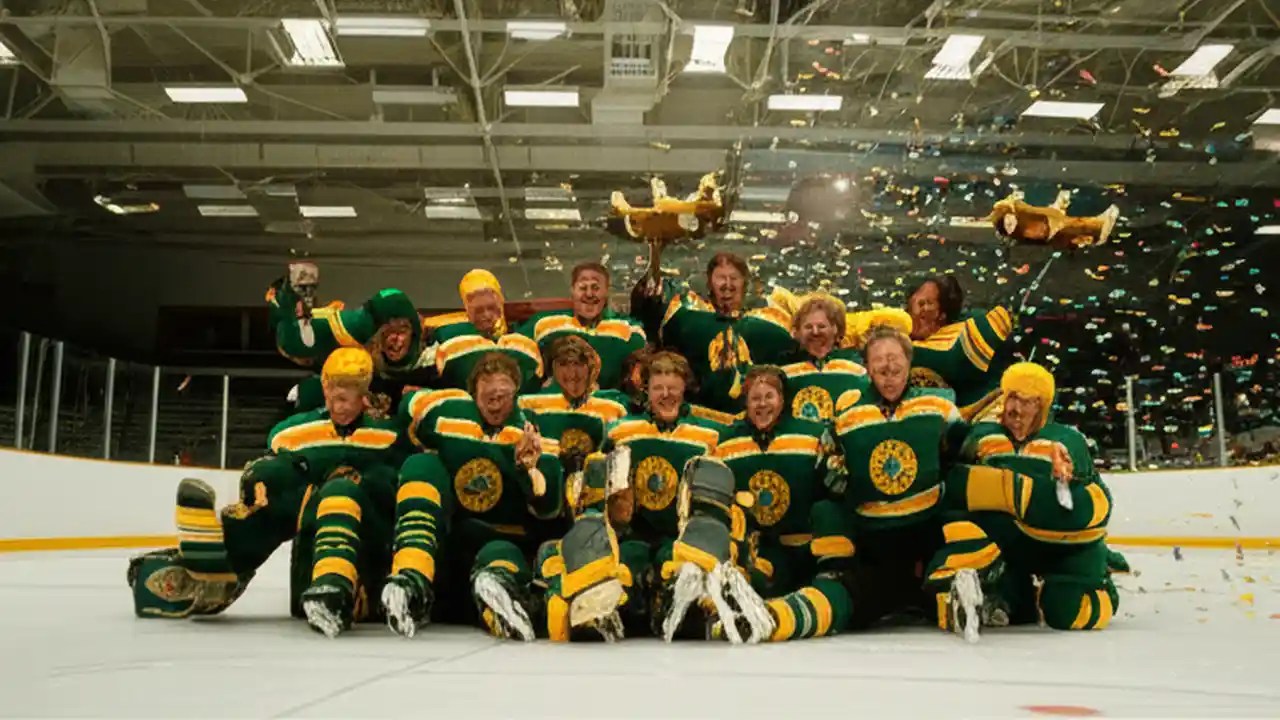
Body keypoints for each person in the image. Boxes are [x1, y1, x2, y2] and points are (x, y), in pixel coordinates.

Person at [128, 348, 406, 633]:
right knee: (280, 500)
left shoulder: (387, 436)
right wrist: (262, 479)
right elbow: (276, 467)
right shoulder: (297, 432)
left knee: (338, 492)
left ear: (364, 395)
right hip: (312, 536)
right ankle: (218, 563)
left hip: (366, 541)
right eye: (333, 399)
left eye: (346, 400)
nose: (339, 408)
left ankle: (224, 565)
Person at [831, 326, 1004, 638]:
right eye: (879, 359)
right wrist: (839, 478)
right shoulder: (847, 415)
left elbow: (964, 450)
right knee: (866, 600)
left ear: (909, 363)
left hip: (926, 529)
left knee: (953, 548)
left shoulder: (938, 407)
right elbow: (828, 465)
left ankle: (962, 597)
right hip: (875, 535)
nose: (888, 366)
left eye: (895, 357)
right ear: (867, 368)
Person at [381, 352, 564, 641]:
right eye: (488, 395)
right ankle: (411, 575)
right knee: (421, 465)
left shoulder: (533, 431)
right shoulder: (444, 413)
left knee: (498, 555)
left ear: (516, 392)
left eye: (503, 395)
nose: (495, 403)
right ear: (473, 393)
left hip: (505, 538)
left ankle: (500, 590)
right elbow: (409, 409)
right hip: (454, 544)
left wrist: (527, 470)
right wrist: (390, 403)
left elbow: (549, 505)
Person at [942, 362, 1123, 633]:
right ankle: (1014, 591)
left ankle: (1100, 584)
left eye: (1028, 402)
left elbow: (1082, 506)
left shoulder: (1067, 442)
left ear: (1044, 406)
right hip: (1011, 545)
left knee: (1067, 612)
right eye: (1012, 398)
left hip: (1062, 548)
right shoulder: (982, 437)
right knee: (1007, 600)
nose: (1016, 409)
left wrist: (1004, 489)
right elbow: (953, 488)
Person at [715, 367, 853, 641]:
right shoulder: (727, 443)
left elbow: (835, 492)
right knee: (759, 581)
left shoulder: (813, 434)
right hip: (767, 549)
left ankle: (831, 587)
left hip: (811, 547)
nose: (762, 404)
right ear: (745, 403)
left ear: (782, 400)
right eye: (755, 398)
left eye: (769, 396)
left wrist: (835, 471)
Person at [268, 269, 436, 417]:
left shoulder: (432, 349)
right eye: (387, 331)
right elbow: (294, 343)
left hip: (403, 417)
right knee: (310, 393)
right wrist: (288, 301)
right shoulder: (351, 331)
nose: (395, 339)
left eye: (402, 330)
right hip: (351, 407)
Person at [645, 253, 796, 413]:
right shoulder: (690, 316)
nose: (727, 284)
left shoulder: (768, 321)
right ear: (710, 282)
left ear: (744, 283)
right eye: (721, 277)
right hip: (701, 416)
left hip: (757, 416)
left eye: (734, 278)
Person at [903, 274, 1017, 420]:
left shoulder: (957, 336)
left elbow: (955, 359)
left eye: (928, 304)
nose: (920, 312)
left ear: (943, 316)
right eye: (919, 304)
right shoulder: (897, 335)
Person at [517, 262, 646, 390]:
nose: (589, 294)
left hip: (606, 403)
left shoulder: (628, 330)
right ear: (572, 291)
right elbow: (514, 355)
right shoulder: (544, 324)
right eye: (583, 288)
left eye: (595, 288)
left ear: (606, 292)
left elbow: (641, 370)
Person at [518, 335, 631, 476]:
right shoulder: (530, 406)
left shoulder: (614, 408)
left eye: (579, 364)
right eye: (564, 364)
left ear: (591, 367)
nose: (572, 373)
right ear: (553, 368)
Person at [425, 269, 543, 393]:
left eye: (491, 308)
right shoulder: (449, 339)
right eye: (479, 311)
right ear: (467, 311)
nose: (487, 315)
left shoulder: (522, 336)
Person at [782, 293, 870, 423]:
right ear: (798, 332)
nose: (815, 332)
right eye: (808, 327)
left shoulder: (857, 365)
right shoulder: (783, 368)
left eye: (821, 326)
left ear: (836, 329)